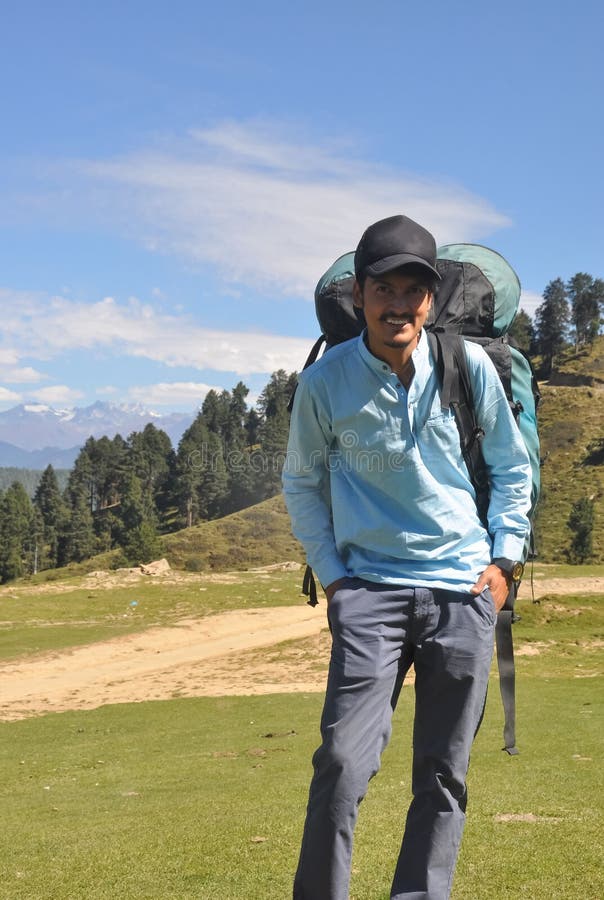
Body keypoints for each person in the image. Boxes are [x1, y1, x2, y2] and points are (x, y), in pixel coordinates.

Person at [282, 214, 532, 900]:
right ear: (360, 293)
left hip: (463, 595)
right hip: (370, 592)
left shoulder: (467, 364)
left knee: (444, 774)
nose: (399, 303)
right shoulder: (325, 382)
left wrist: (503, 566)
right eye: (384, 287)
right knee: (341, 763)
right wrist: (335, 579)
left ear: (431, 297)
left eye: (413, 289)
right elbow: (301, 482)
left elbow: (513, 469)